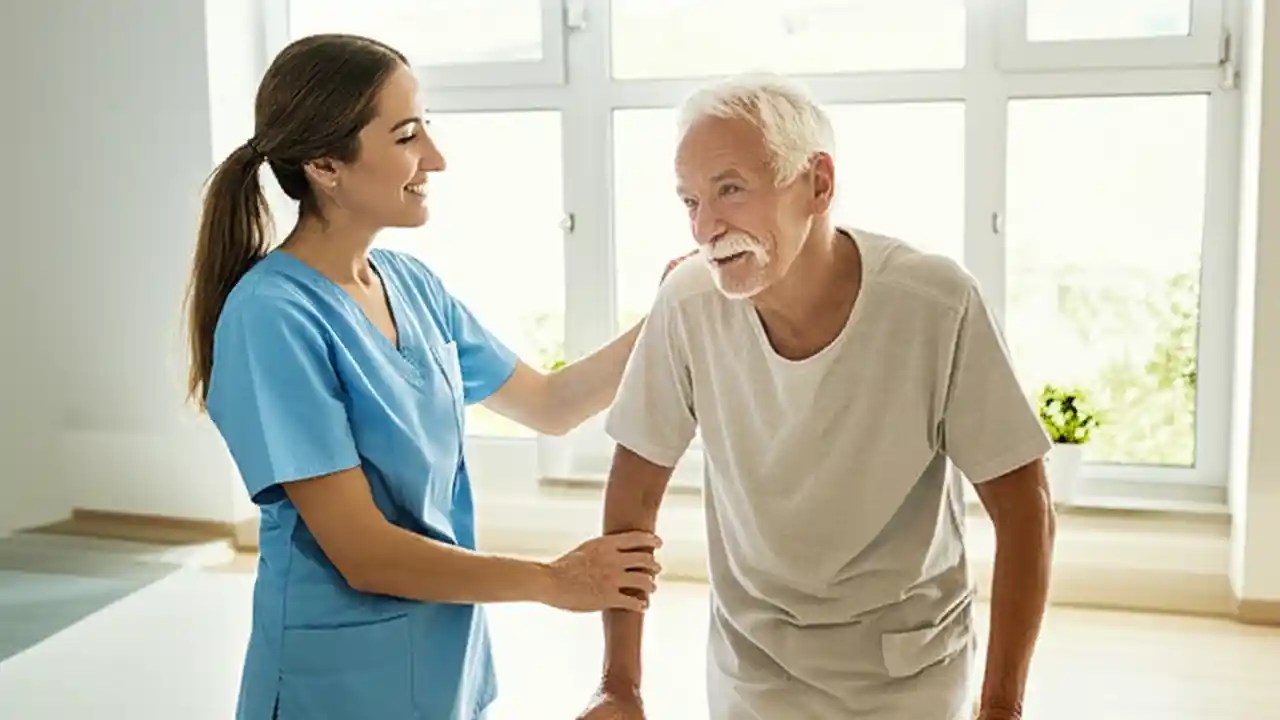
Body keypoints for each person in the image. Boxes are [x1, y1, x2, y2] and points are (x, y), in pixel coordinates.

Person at [186, 34, 674, 720]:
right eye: (407, 136)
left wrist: (674, 313)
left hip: (443, 662)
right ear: (326, 163)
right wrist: (553, 581)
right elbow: (362, 553)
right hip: (334, 683)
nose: (435, 159)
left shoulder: (411, 285)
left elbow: (552, 404)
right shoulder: (271, 317)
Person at [576, 75, 1056, 720]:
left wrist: (1001, 705)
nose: (706, 226)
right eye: (690, 200)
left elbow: (1025, 508)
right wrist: (620, 685)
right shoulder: (688, 303)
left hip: (907, 665)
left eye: (730, 190)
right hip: (755, 664)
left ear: (818, 184)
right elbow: (634, 492)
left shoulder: (934, 304)